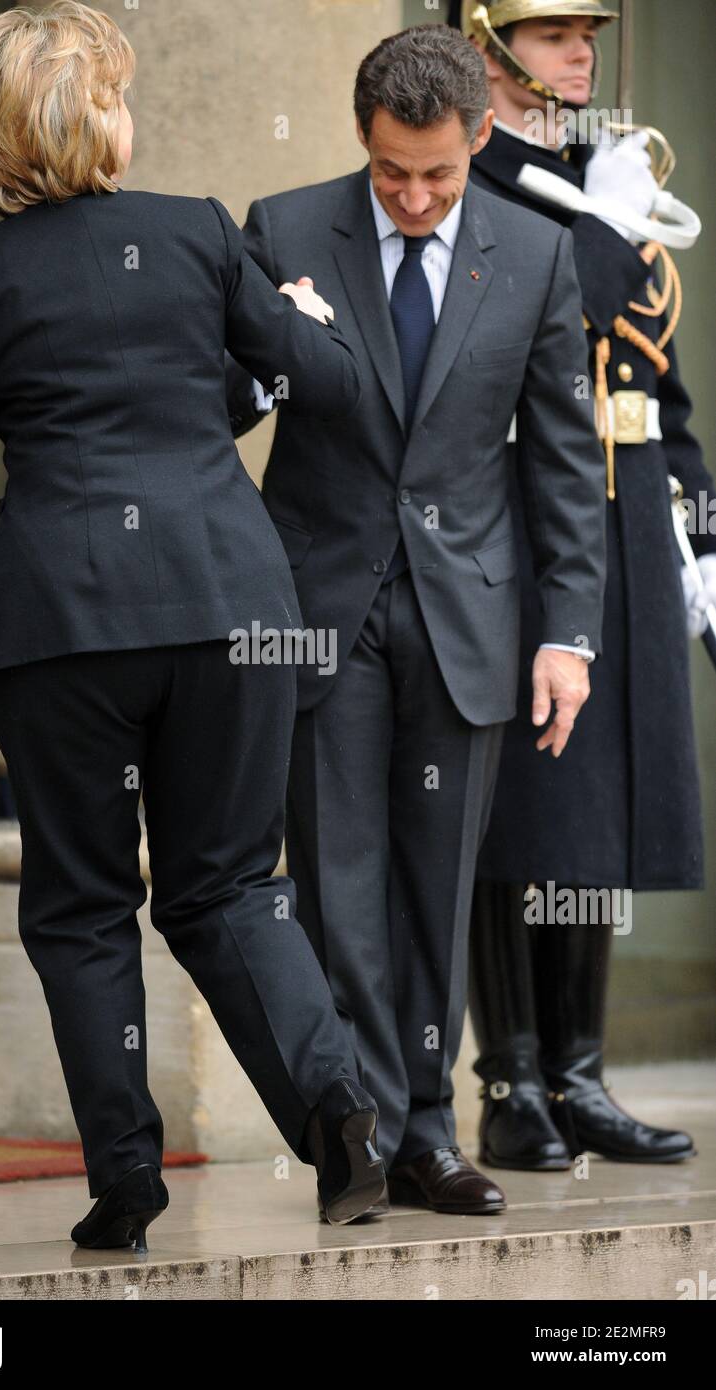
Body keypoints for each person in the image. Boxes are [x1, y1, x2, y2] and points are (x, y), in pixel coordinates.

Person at [0, 0, 388, 1249]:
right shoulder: (202, 234)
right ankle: (339, 1116)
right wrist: (302, 325)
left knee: (81, 904)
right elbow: (305, 388)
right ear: (98, 116)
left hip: (64, 626)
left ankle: (126, 1180)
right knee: (229, 889)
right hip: (229, 606)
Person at [226, 22, 607, 1216]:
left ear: (478, 136)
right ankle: (377, 1130)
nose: (413, 196)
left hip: (468, 616)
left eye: (437, 173)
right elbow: (225, 404)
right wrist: (271, 339)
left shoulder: (540, 254)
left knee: (435, 892)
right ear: (362, 137)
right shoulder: (282, 228)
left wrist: (569, 634)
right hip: (321, 607)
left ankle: (425, 1130)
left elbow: (557, 459)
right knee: (339, 891)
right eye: (392, 171)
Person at [454, 0, 716, 1168]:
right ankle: (508, 1078)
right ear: (488, 43)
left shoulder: (595, 172)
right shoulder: (471, 175)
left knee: (601, 802)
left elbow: (659, 389)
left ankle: (579, 1075)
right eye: (550, 32)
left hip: (626, 515)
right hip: (518, 517)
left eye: (586, 32)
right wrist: (604, 227)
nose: (579, 52)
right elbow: (556, 312)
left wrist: (702, 532)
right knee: (519, 803)